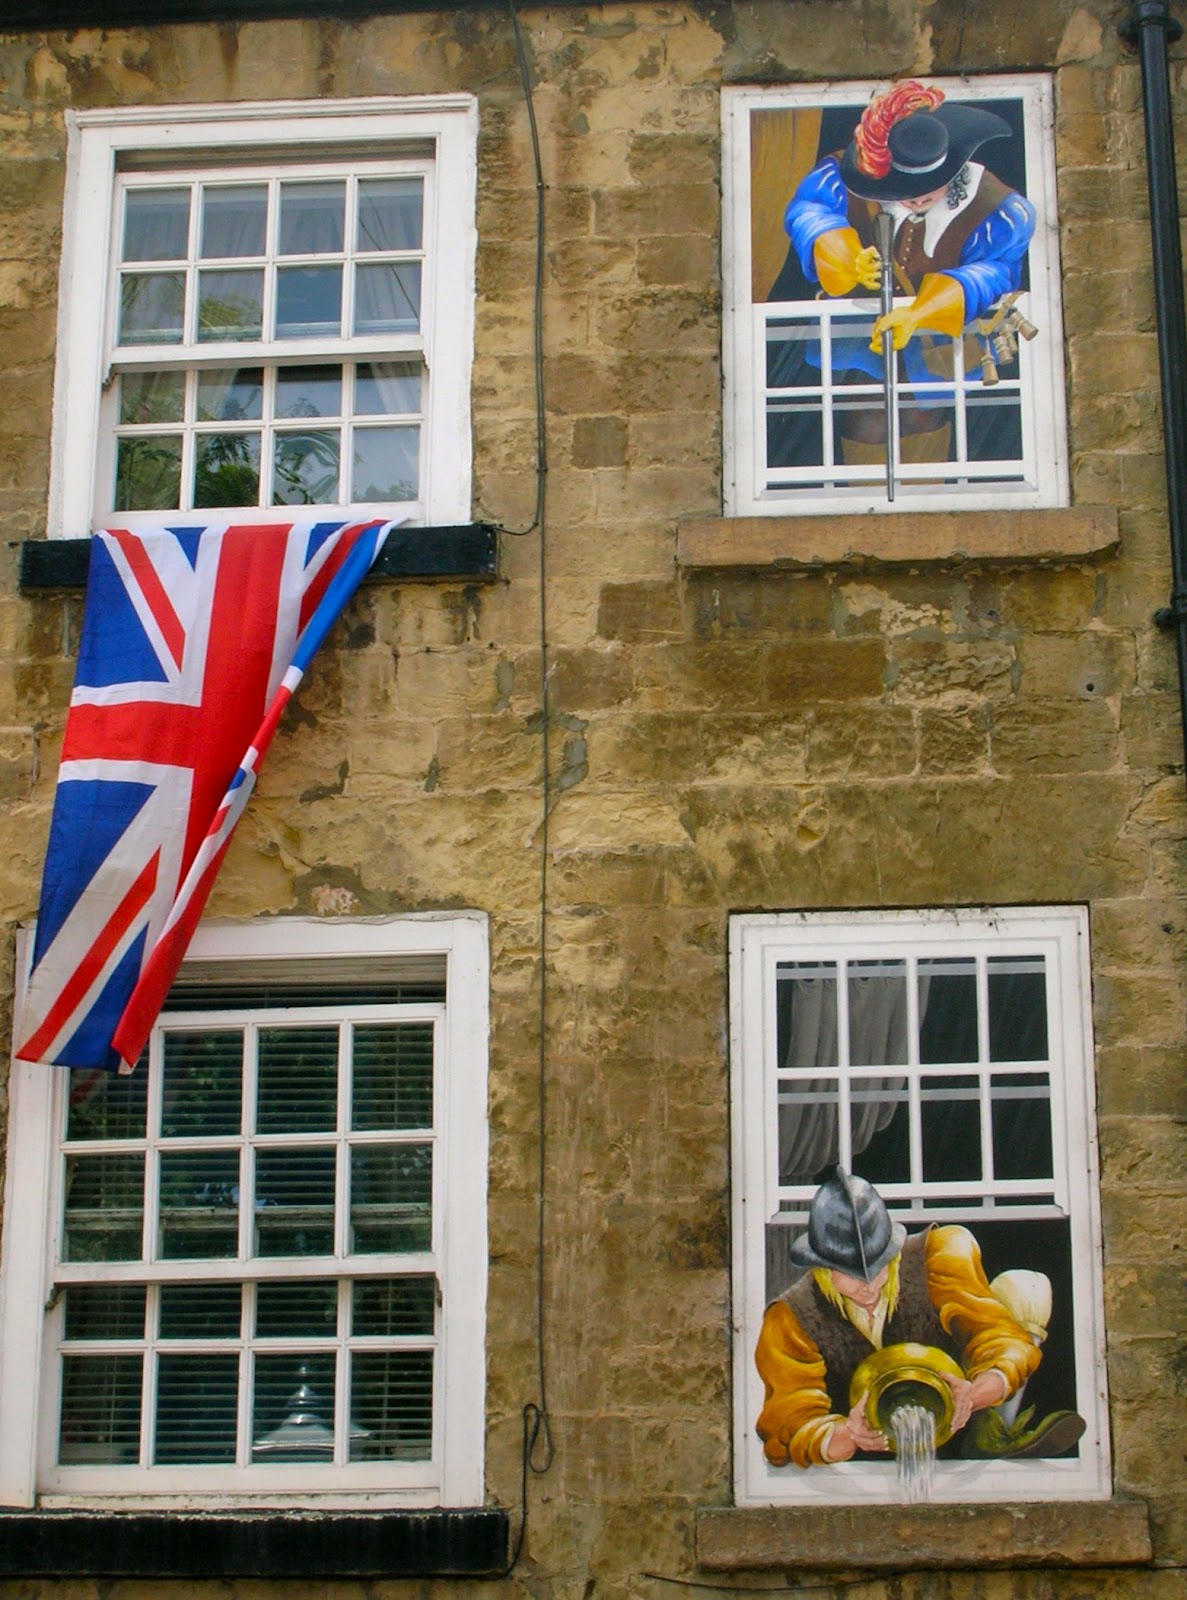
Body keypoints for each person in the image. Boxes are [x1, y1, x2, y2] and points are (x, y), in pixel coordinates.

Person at [781, 82, 1037, 464]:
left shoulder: (997, 208)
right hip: (858, 349)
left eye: (930, 185)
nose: (918, 198)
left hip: (938, 353)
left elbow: (995, 273)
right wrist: (843, 255)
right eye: (906, 186)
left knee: (925, 421)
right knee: (863, 421)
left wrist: (922, 312)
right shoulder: (840, 177)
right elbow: (808, 212)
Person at [755, 1170, 1045, 1469]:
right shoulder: (791, 1317)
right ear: (823, 1269)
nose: (868, 1286)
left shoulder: (938, 1256)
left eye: (879, 1267)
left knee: (1026, 1291)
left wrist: (974, 1395)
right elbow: (791, 1419)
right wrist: (848, 1435)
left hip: (957, 1445)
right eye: (851, 1275)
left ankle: (993, 1435)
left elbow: (1002, 1340)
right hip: (865, 1465)